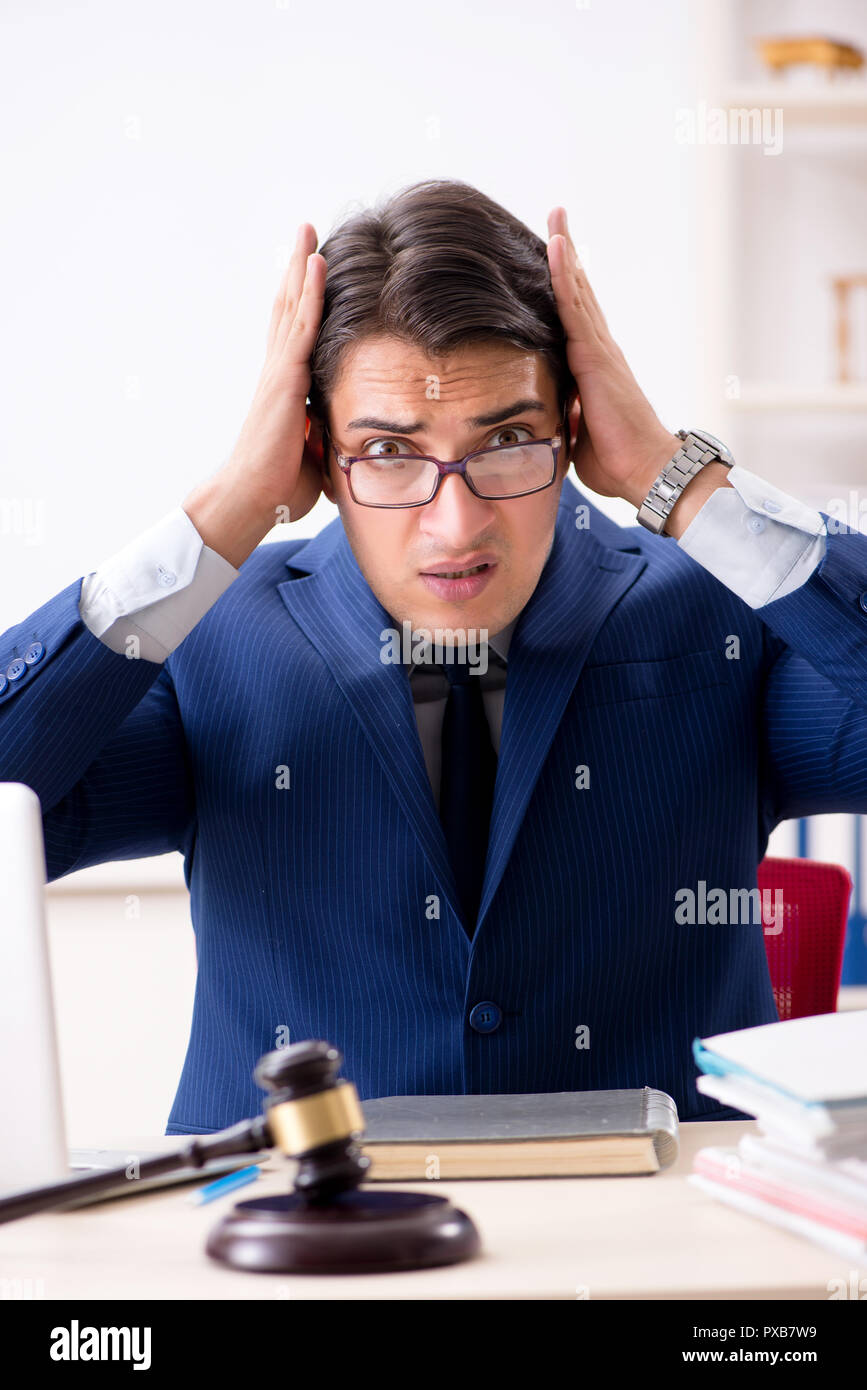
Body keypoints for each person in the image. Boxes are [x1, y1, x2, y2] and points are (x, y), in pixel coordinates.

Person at [2, 179, 863, 1135]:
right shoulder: (210, 634)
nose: (455, 524)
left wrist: (675, 477)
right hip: (296, 1242)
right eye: (387, 452)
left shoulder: (714, 608)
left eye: (506, 440)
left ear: (575, 427)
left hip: (663, 1239)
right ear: (316, 453)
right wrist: (226, 512)